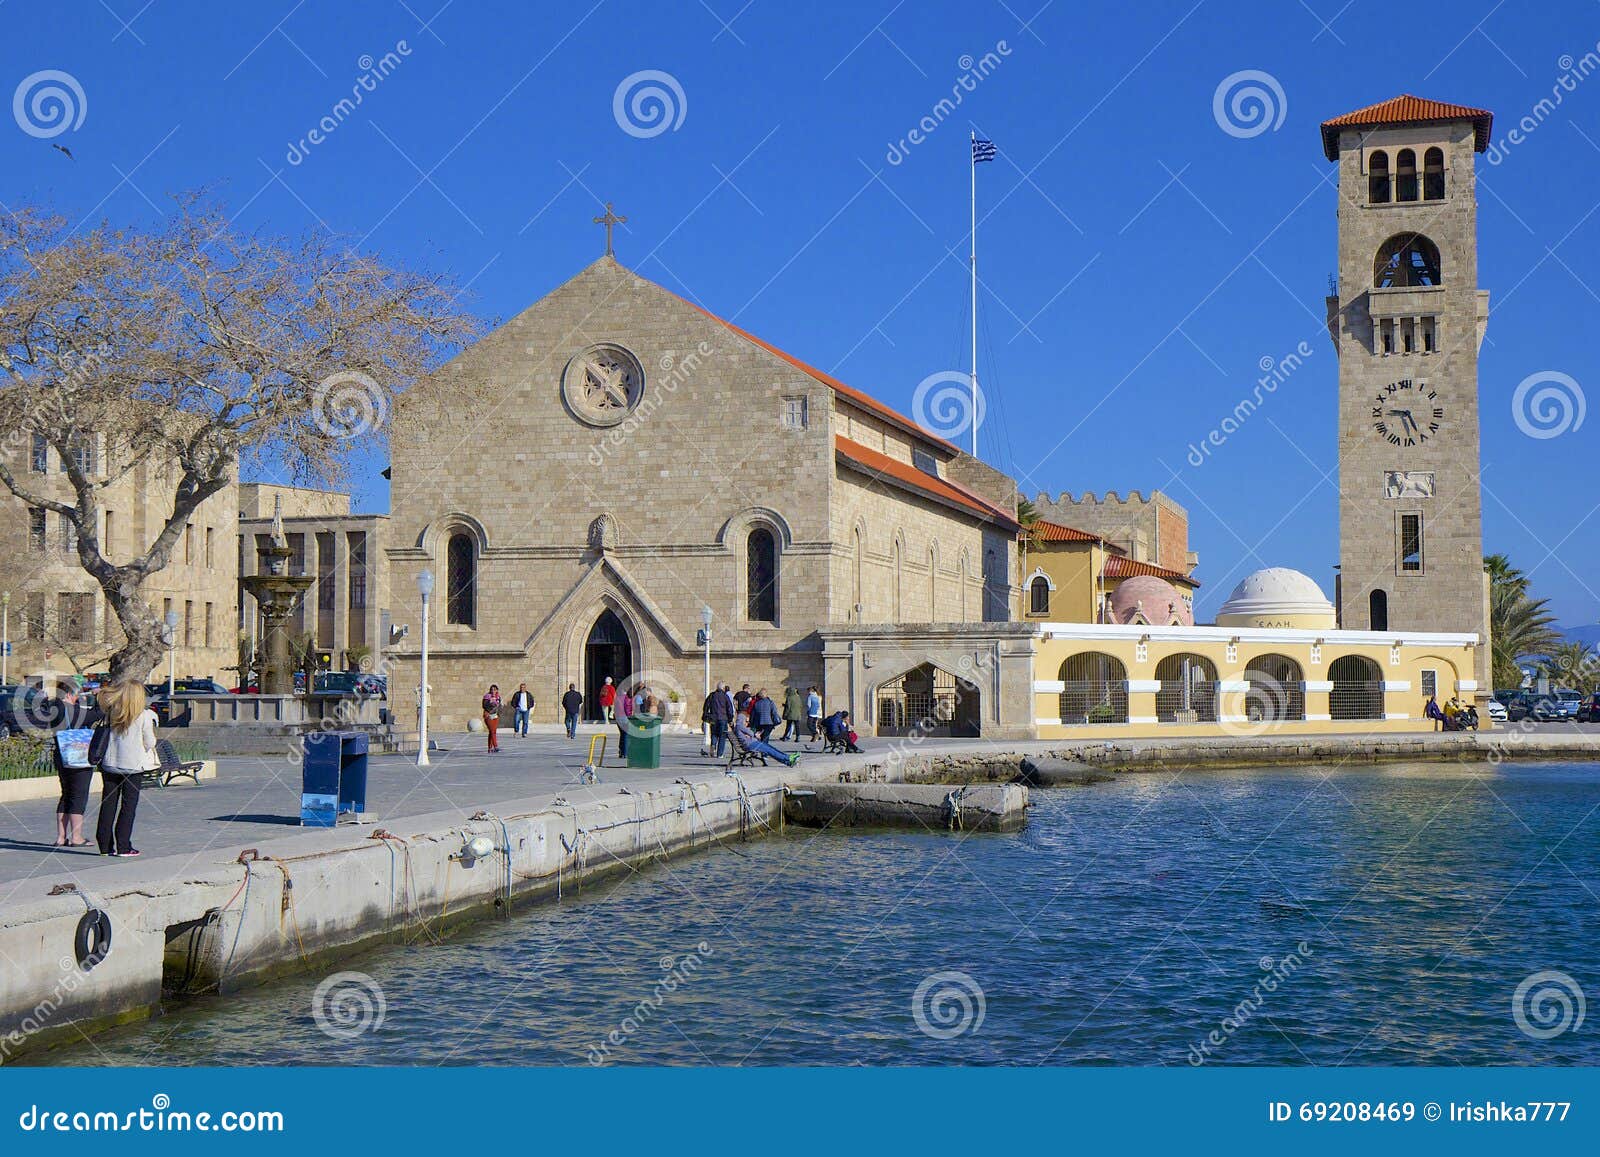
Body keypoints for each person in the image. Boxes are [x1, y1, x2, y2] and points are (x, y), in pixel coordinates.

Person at [94, 680, 157, 857]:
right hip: (133, 766)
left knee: (108, 805)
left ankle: (105, 846)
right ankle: (124, 845)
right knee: (128, 807)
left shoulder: (111, 713)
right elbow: (150, 742)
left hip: (110, 764)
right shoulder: (144, 716)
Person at [52, 685, 102, 848]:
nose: (78, 698)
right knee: (78, 797)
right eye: (76, 695)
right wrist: (97, 698)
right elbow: (98, 714)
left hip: (61, 756)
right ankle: (77, 837)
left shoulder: (55, 709)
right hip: (78, 759)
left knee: (65, 795)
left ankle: (61, 837)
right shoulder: (75, 711)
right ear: (68, 694)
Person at [732, 710, 798, 767]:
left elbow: (750, 734)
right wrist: (751, 734)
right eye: (746, 720)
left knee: (771, 749)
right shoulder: (739, 726)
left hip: (753, 743)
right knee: (770, 750)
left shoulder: (739, 727)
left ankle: (788, 762)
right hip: (751, 745)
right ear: (742, 719)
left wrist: (750, 734)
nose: (747, 722)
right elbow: (752, 733)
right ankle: (788, 758)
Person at [703, 683, 733, 758]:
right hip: (723, 718)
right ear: (723, 688)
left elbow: (706, 706)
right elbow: (729, 708)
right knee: (722, 736)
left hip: (713, 718)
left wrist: (706, 715)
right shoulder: (725, 696)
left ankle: (713, 745)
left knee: (714, 733)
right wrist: (730, 719)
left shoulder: (712, 695)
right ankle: (720, 754)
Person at [482, 684, 503, 753]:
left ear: (497, 690)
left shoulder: (498, 697)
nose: (493, 691)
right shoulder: (487, 697)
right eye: (491, 689)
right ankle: (496, 746)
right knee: (492, 730)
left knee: (492, 732)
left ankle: (490, 748)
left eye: (494, 689)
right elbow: (484, 705)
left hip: (495, 716)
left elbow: (500, 706)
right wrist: (491, 703)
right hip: (488, 715)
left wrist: (499, 711)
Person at [616, 686, 633, 758]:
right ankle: (625, 753)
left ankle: (621, 752)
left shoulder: (617, 698)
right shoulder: (627, 698)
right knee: (626, 735)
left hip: (618, 718)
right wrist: (629, 715)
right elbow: (627, 707)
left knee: (622, 735)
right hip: (625, 718)